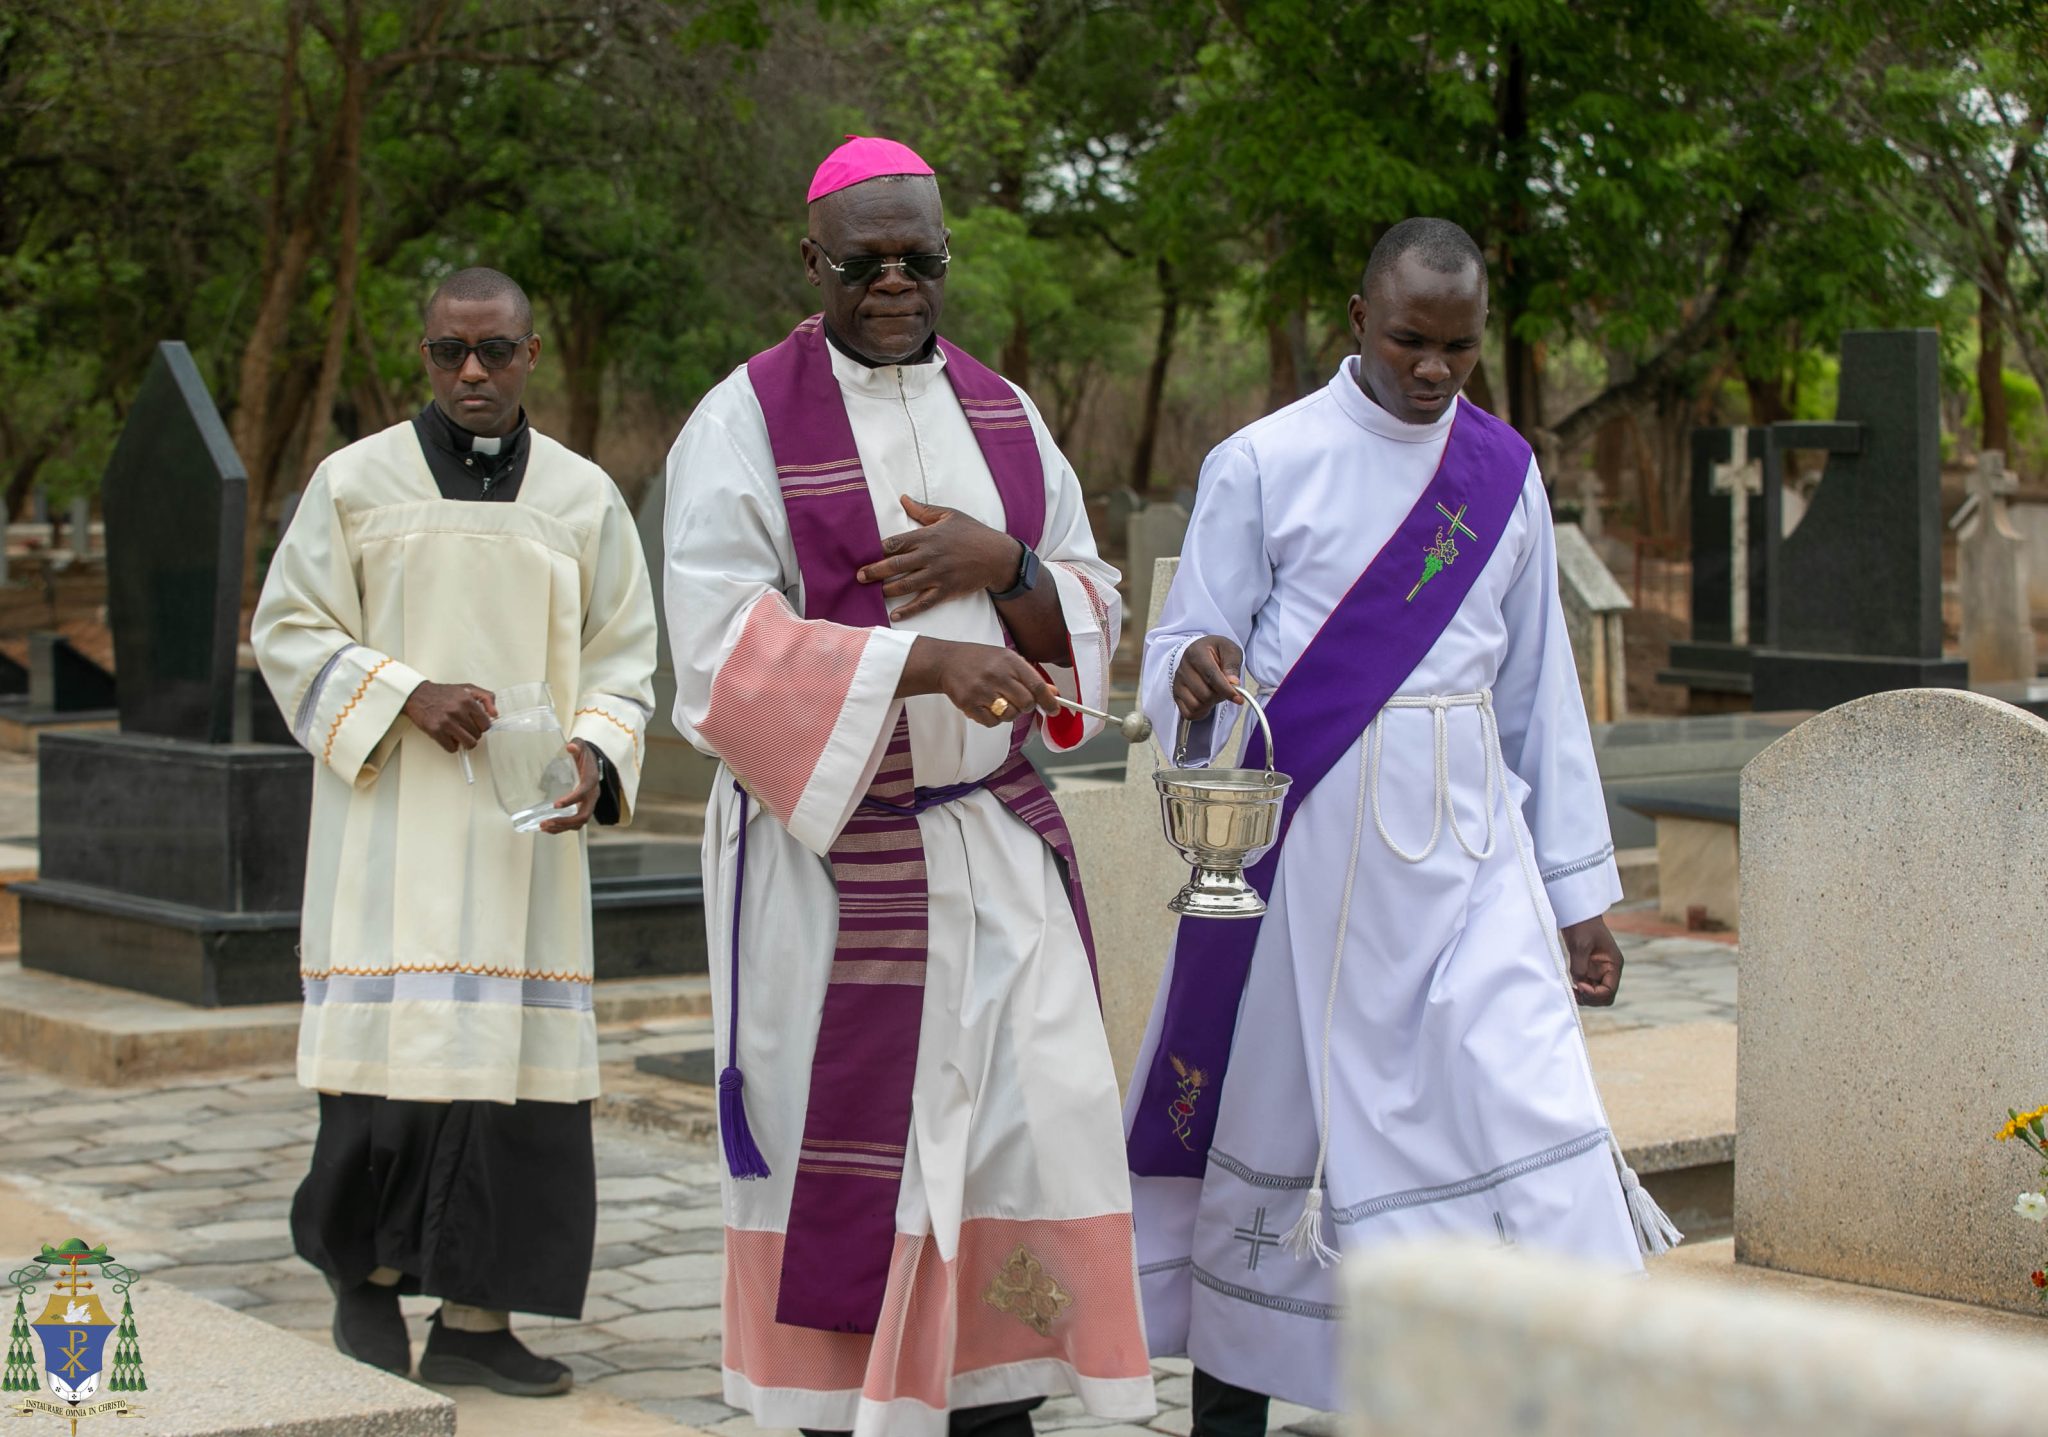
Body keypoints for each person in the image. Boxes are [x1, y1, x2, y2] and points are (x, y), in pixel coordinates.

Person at [1124, 218, 1679, 1432]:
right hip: (1312, 865)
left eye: (1457, 349)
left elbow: (1539, 697)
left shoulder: (1502, 472)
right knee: (1287, 1128)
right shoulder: (1262, 462)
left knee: (1530, 1095)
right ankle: (1231, 1410)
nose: (1432, 370)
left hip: (1472, 856)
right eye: (1407, 342)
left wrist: (1577, 898)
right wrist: (1193, 676)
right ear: (1357, 321)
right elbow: (1184, 647)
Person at [661, 136, 1153, 1437]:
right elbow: (717, 652)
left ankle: (993, 1403)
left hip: (990, 851)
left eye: (917, 259)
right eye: (862, 262)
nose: (893, 283)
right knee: (862, 1173)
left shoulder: (1004, 413)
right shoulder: (741, 423)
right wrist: (922, 663)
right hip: (830, 871)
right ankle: (844, 1413)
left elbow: (1089, 596)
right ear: (809, 259)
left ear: (945, 256)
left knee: (1028, 1138)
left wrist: (1009, 567)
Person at [253, 267, 658, 1397]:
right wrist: (402, 694)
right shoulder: (355, 482)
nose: (471, 371)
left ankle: (478, 1321)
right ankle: (366, 1282)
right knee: (388, 1069)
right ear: (424, 354)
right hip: (393, 828)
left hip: (525, 839)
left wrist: (596, 752)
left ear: (532, 355)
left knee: (514, 1089)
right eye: (449, 351)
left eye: (494, 350)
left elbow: (626, 655)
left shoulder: (582, 497)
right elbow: (288, 629)